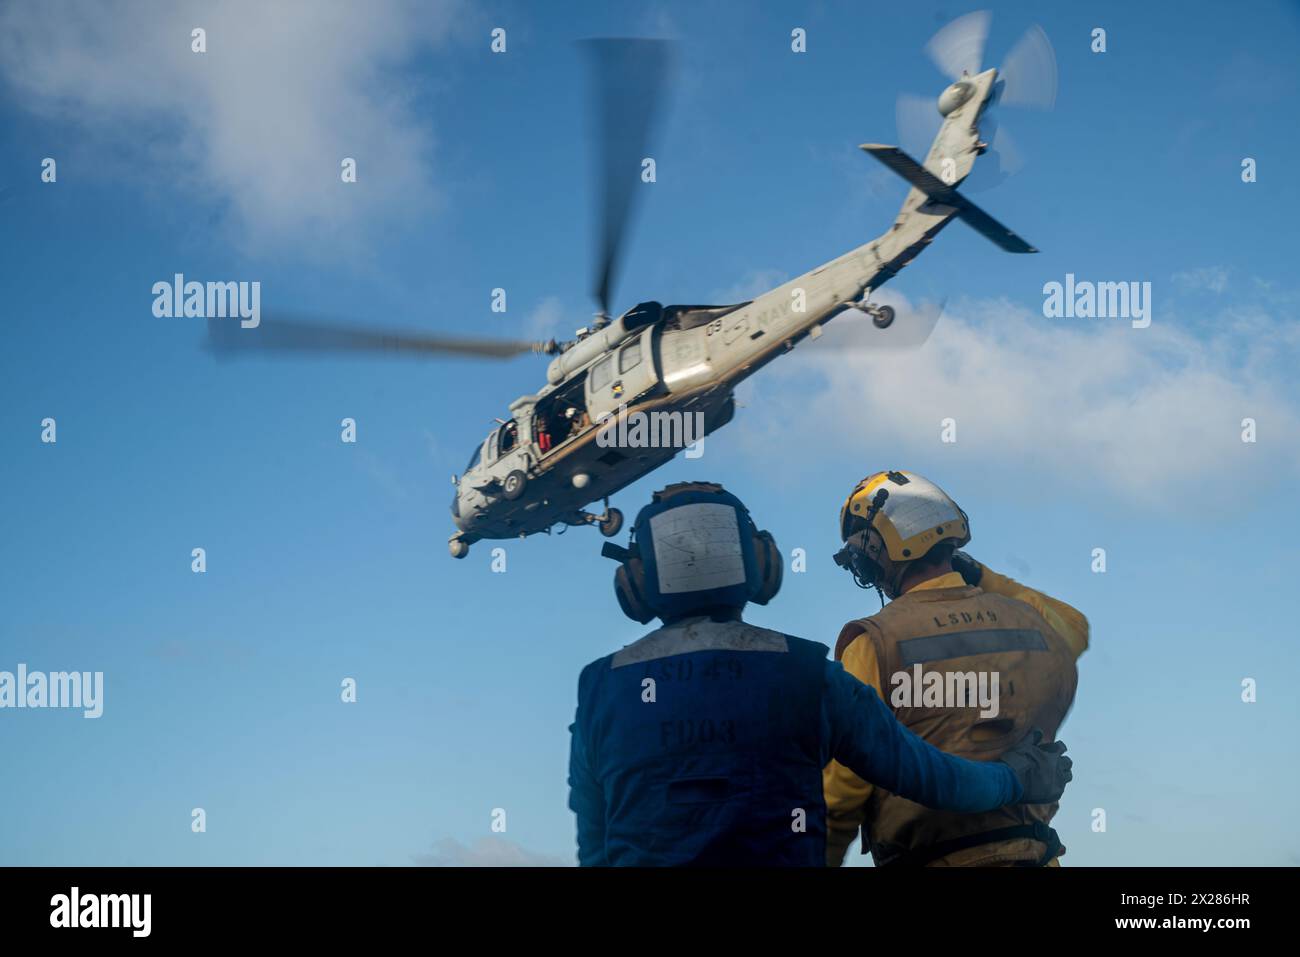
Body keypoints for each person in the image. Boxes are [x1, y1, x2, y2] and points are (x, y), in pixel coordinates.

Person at [567, 481, 1073, 866]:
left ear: (635, 581)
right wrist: (1016, 778)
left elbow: (594, 842)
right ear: (762, 565)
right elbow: (935, 779)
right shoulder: (809, 674)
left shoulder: (599, 688)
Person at [825, 470, 1089, 867]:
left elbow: (842, 792)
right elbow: (1076, 628)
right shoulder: (1037, 625)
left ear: (885, 548)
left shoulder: (873, 644)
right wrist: (981, 575)